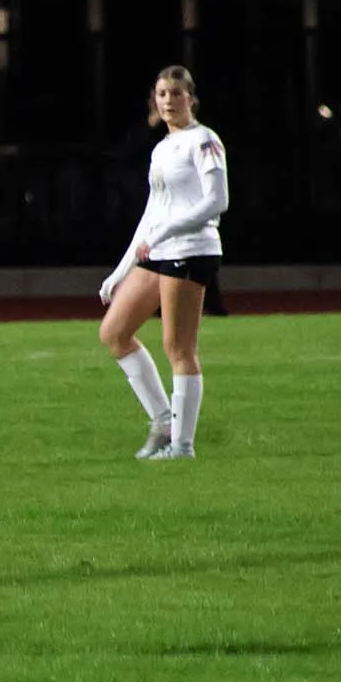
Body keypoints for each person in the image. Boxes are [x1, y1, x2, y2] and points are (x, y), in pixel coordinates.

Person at [99, 65, 229, 460]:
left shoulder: (204, 140)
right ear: (154, 102)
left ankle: (182, 446)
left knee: (178, 347)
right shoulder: (161, 149)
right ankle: (162, 421)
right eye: (162, 94)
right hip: (160, 249)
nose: (169, 100)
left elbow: (216, 201)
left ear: (191, 98)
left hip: (191, 250)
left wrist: (166, 232)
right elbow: (151, 214)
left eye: (176, 93)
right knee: (114, 332)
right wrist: (119, 272)